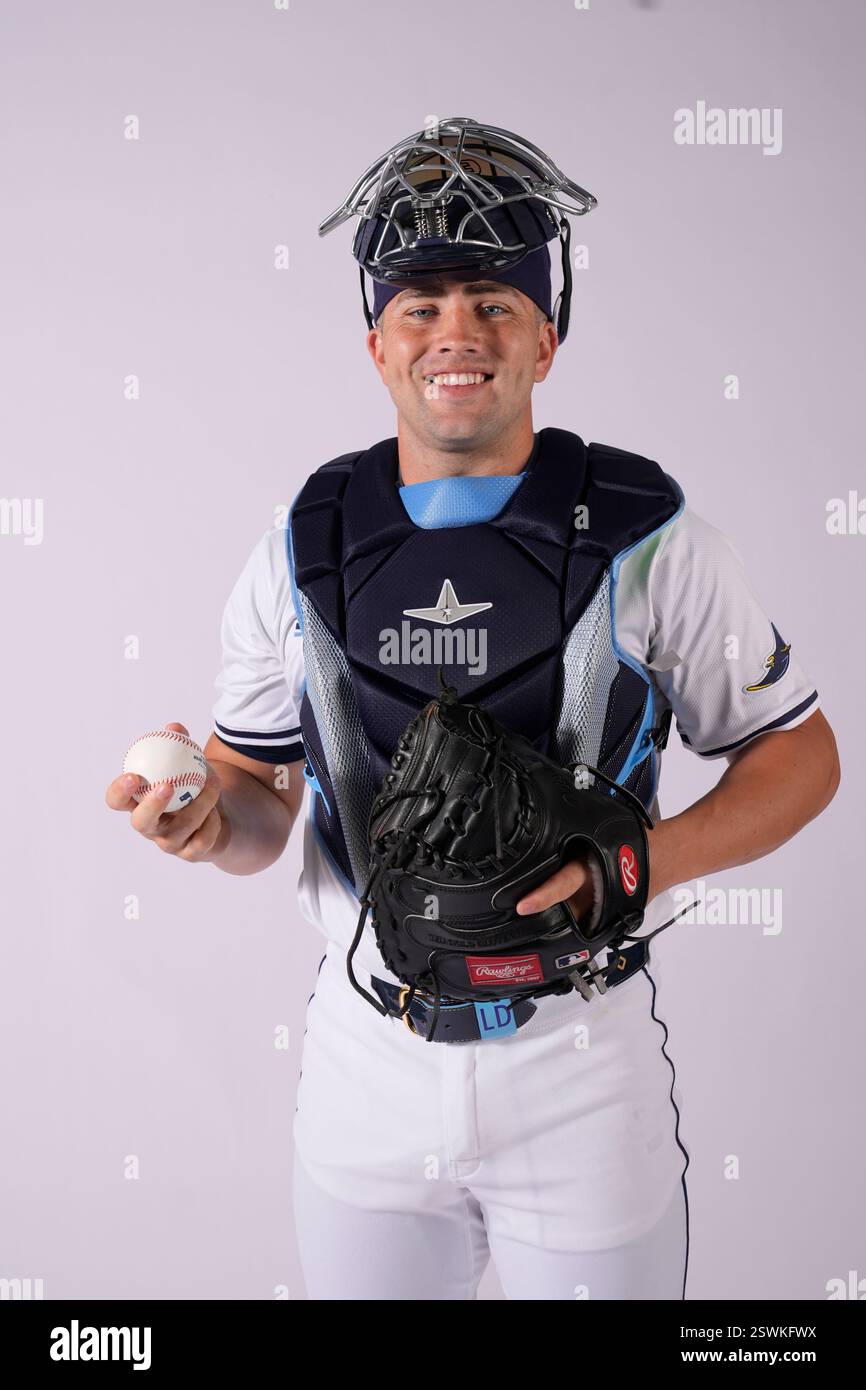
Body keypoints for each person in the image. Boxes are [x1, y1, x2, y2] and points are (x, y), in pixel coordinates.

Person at [106, 119, 840, 1300]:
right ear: (376, 342)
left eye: (493, 301)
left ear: (545, 336)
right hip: (367, 1060)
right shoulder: (299, 548)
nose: (457, 333)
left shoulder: (651, 538)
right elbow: (255, 808)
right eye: (422, 304)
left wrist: (640, 861)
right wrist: (205, 818)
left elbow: (798, 757)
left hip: (577, 1059)